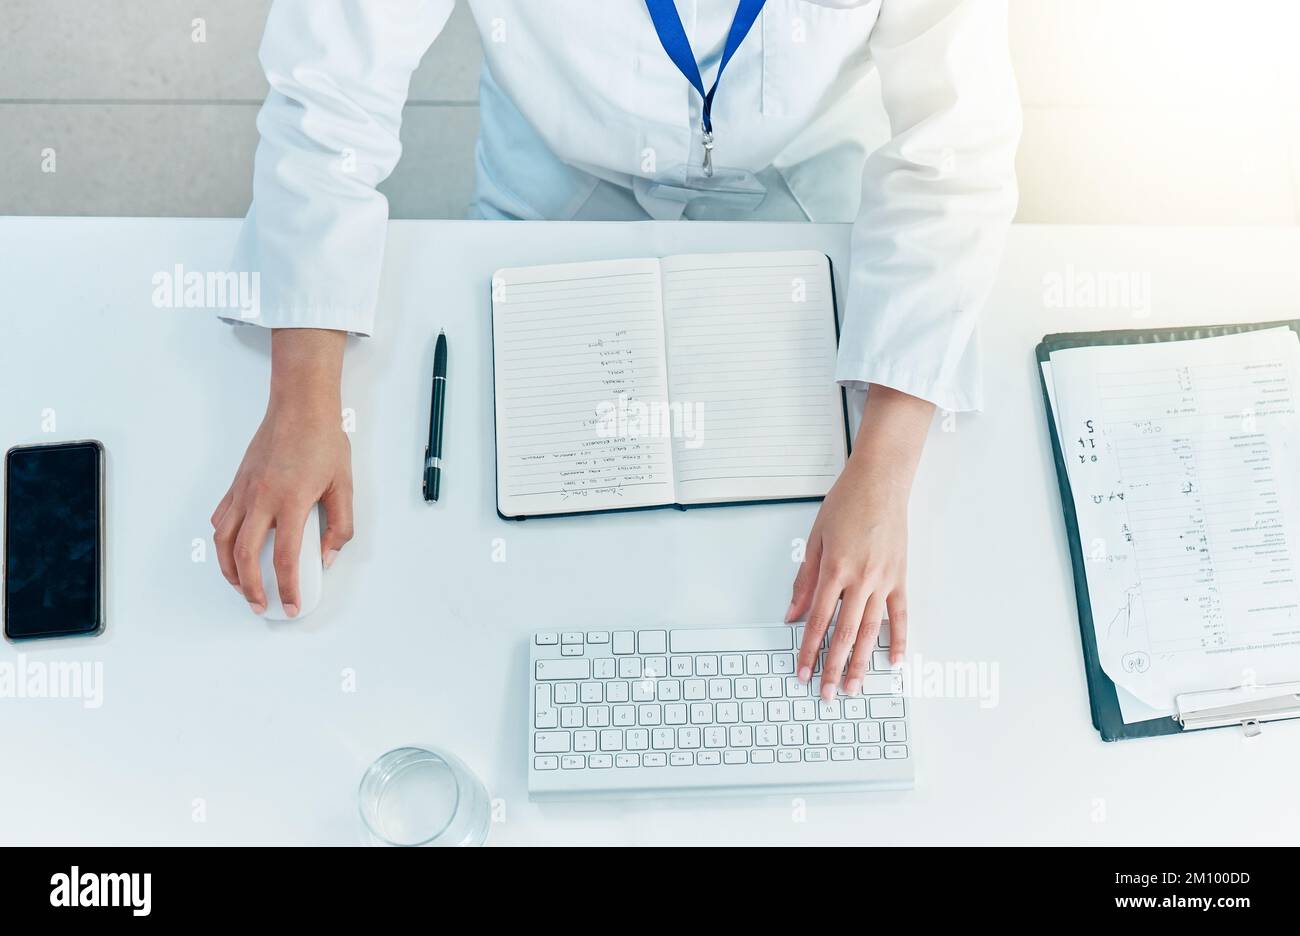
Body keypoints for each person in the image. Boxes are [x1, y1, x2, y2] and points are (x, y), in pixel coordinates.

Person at [210, 0, 1021, 702]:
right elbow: (330, 95)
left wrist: (883, 468)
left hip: (801, 176)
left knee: (763, 554)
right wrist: (303, 397)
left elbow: (955, 149)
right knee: (500, 569)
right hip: (559, 178)